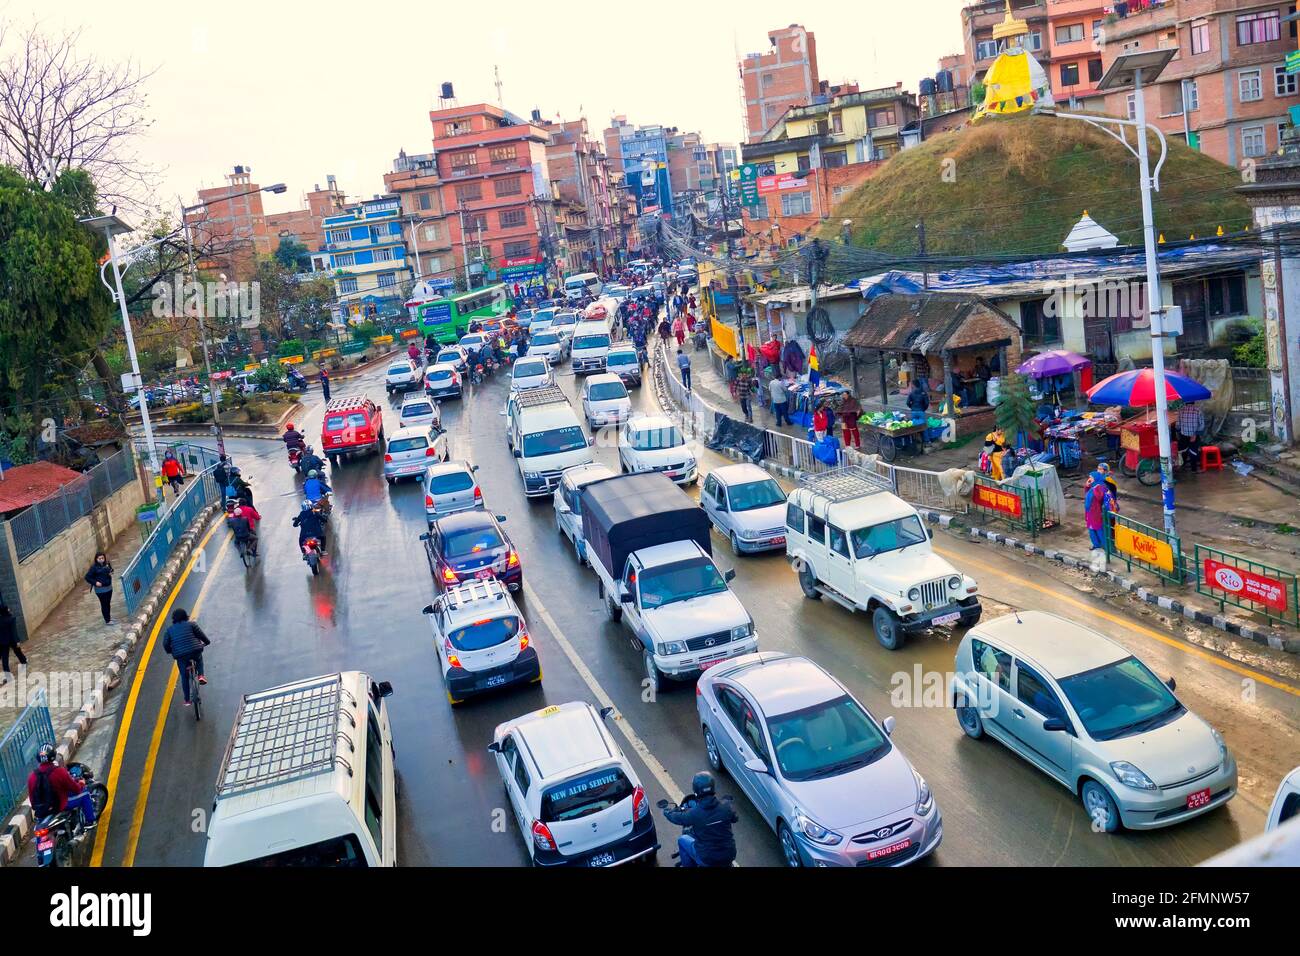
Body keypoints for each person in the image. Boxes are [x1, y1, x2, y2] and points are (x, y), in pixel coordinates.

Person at [662, 771, 737, 868]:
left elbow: (677, 818)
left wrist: (667, 812)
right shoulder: (726, 807)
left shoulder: (694, 813)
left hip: (707, 858)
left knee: (682, 840)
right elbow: (734, 818)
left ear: (696, 790)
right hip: (729, 855)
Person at [28, 744, 95, 829]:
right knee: (85, 793)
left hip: (41, 811)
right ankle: (90, 822)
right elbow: (76, 789)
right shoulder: (59, 771)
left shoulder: (32, 776)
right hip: (60, 805)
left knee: (39, 829)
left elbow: (32, 799)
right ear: (53, 756)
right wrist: (81, 783)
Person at [162, 608, 210, 707]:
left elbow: (165, 644)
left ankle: (187, 700)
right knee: (199, 659)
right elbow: (201, 635)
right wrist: (207, 642)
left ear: (173, 619)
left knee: (184, 675)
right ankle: (201, 676)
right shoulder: (192, 624)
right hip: (195, 650)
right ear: (185, 616)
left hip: (180, 655)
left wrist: (170, 651)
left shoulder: (169, 630)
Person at [1084, 469, 1118, 572]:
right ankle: (1096, 545)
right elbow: (1086, 495)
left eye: (1091, 477)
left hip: (1096, 513)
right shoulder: (1094, 486)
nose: (1090, 479)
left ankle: (1108, 548)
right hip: (1090, 512)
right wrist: (1087, 486)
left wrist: (1093, 488)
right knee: (1091, 529)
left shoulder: (1100, 487)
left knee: (1099, 530)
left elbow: (1099, 497)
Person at [84, 553, 114, 625]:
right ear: (96, 559)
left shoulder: (107, 564)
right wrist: (95, 582)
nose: (101, 560)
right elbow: (87, 577)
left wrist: (111, 572)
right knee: (104, 604)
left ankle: (109, 617)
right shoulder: (94, 568)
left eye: (102, 558)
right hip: (100, 590)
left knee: (108, 603)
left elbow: (111, 570)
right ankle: (107, 620)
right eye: (99, 559)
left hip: (109, 587)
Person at [0, 601, 26, 682]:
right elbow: (14, 631)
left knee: (5, 658)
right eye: (8, 609)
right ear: (7, 610)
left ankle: (8, 676)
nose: (9, 609)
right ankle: (24, 662)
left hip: (3, 642)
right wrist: (17, 641)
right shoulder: (11, 619)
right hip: (12, 640)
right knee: (18, 651)